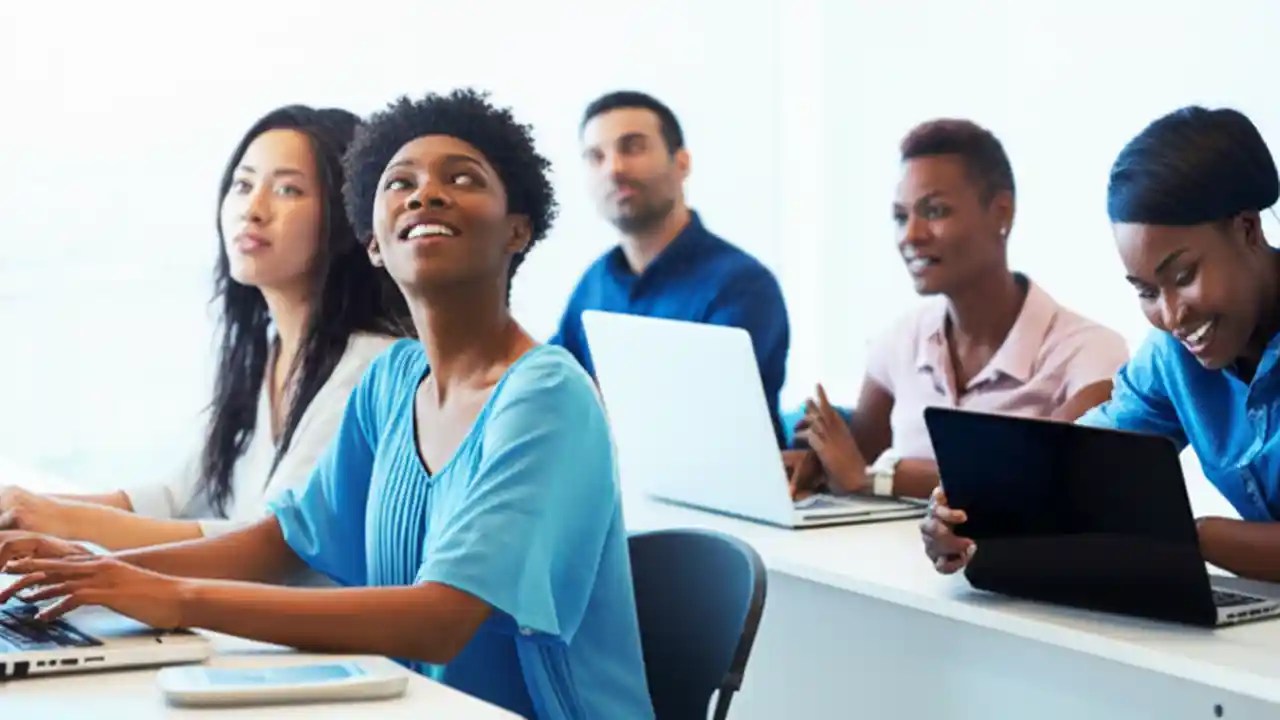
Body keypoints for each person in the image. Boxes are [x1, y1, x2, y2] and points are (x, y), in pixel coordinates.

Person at [0, 89, 654, 719]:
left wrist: (167, 596)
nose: (425, 192)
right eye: (399, 183)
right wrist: (94, 572)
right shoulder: (393, 381)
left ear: (518, 230)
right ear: (372, 240)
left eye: (463, 178)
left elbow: (439, 619)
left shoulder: (545, 396)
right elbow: (285, 541)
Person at [0, 105, 410, 550]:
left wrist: (64, 525)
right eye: (243, 184)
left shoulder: (374, 364)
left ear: (347, 217)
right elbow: (177, 497)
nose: (253, 210)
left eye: (288, 190)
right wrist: (26, 509)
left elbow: (274, 544)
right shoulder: (269, 354)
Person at [923, 106, 1280, 583]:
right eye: (1147, 291)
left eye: (1184, 276)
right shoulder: (1173, 358)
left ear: (1248, 230)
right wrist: (970, 510)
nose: (1171, 317)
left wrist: (1183, 535)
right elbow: (1074, 460)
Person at [791, 119, 1127, 500]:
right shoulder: (901, 338)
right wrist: (814, 464)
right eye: (901, 217)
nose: (911, 235)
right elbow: (850, 466)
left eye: (934, 211)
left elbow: (1044, 476)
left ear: (1002, 212)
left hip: (1009, 560)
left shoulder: (1090, 352)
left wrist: (878, 478)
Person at [551, 90, 791, 445]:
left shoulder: (742, 285)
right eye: (595, 156)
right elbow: (551, 394)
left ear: (682, 163)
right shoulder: (593, 284)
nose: (613, 168)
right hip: (606, 490)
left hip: (712, 490)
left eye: (632, 147)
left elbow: (702, 418)